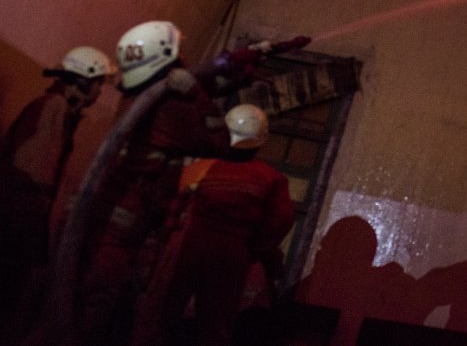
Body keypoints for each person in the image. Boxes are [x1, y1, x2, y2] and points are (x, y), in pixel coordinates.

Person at [75, 21, 230, 346]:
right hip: (121, 238)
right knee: (90, 321)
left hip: (103, 225)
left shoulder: (135, 101)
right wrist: (197, 94)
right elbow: (220, 141)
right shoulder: (169, 111)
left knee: (77, 307)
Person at [131, 103, 293, 346]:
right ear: (261, 140)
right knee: (215, 326)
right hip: (231, 252)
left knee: (158, 316)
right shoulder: (271, 179)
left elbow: (169, 209)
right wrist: (253, 249)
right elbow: (281, 220)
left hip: (185, 243)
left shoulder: (198, 168)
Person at [0, 47, 113, 330]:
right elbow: (31, 178)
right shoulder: (54, 108)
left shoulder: (59, 109)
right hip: (17, 223)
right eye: (99, 84)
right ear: (85, 81)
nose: (100, 92)